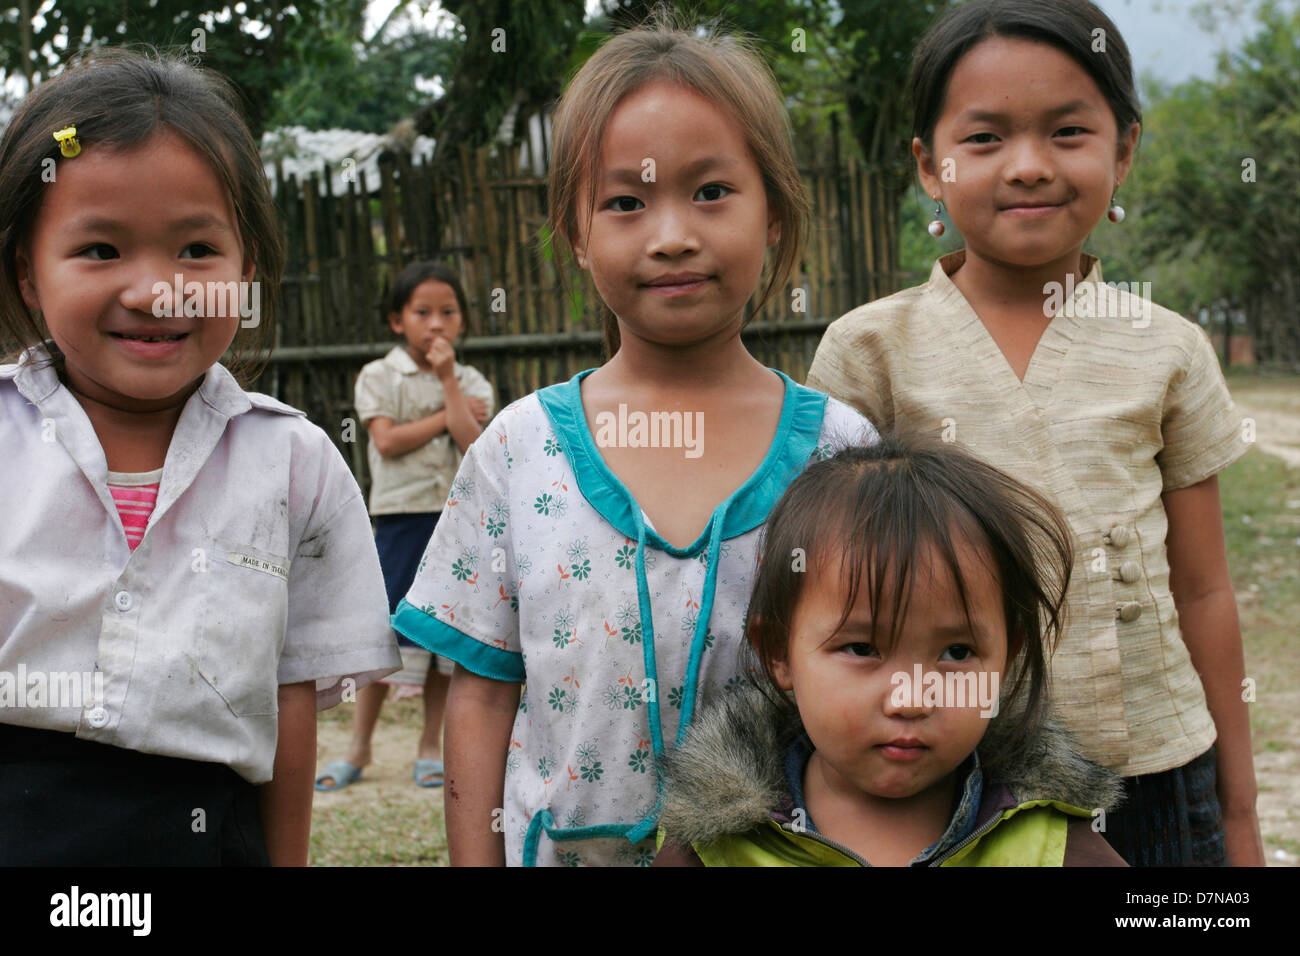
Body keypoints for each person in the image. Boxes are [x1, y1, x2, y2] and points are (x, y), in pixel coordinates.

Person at [391, 15, 876, 866]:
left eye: (712, 191)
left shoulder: (840, 453)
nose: (672, 234)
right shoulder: (517, 451)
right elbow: (480, 695)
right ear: (576, 235)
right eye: (626, 201)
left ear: (773, 212)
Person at [805, 0, 1262, 866]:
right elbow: (829, 594)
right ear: (929, 166)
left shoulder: (1167, 348)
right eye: (984, 140)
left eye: (1067, 132)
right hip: (959, 783)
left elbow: (1204, 591)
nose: (1027, 167)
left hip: (1158, 775)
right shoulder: (869, 353)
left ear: (1123, 150)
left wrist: (1239, 819)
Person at [0, 49, 400, 865]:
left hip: (207, 839)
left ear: (246, 270)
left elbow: (288, 702)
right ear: (30, 274)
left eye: (195, 251)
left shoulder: (295, 464)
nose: (156, 290)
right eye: (101, 251)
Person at [655, 438, 1127, 866]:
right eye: (862, 648)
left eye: (958, 653)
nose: (911, 700)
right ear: (779, 654)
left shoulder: (1057, 848)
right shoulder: (713, 849)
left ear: (1005, 662)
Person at [314, 262, 494, 792]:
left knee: (442, 636)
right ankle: (358, 746)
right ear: (397, 321)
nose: (436, 324)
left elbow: (475, 445)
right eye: (422, 313)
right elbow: (387, 441)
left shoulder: (468, 378)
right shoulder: (378, 375)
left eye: (448, 312)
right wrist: (446, 410)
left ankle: (426, 747)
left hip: (456, 518)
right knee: (382, 628)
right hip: (399, 518)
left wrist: (446, 385)